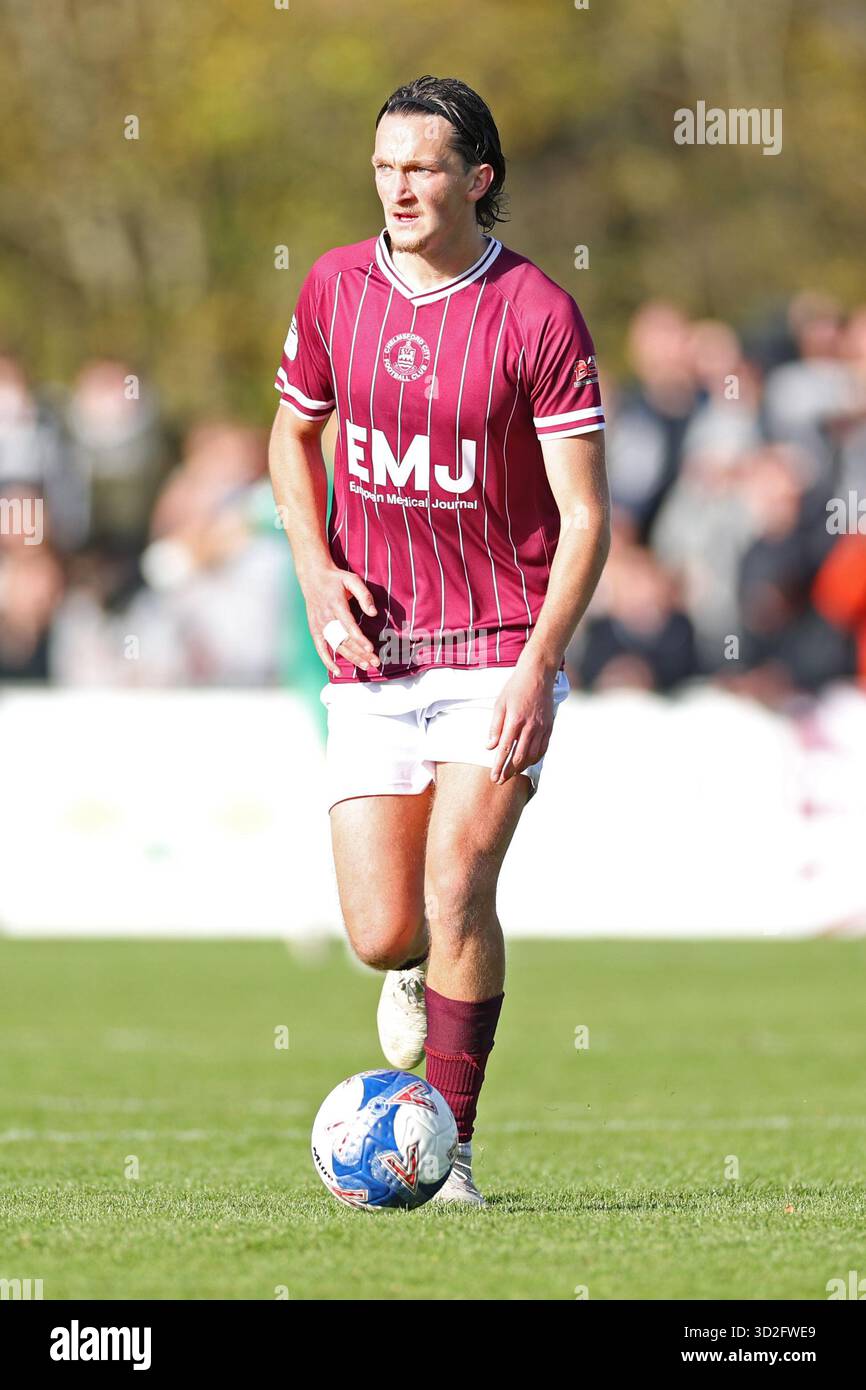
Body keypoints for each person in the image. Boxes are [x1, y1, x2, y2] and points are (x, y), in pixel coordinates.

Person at [268, 75, 610, 1204]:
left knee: (460, 881)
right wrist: (317, 572)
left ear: (478, 178)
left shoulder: (537, 315)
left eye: (420, 166)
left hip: (499, 643)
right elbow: (290, 441)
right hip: (374, 650)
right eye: (383, 165)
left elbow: (587, 516)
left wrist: (537, 660)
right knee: (381, 931)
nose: (397, 186)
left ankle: (449, 1150)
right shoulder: (330, 287)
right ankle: (413, 971)